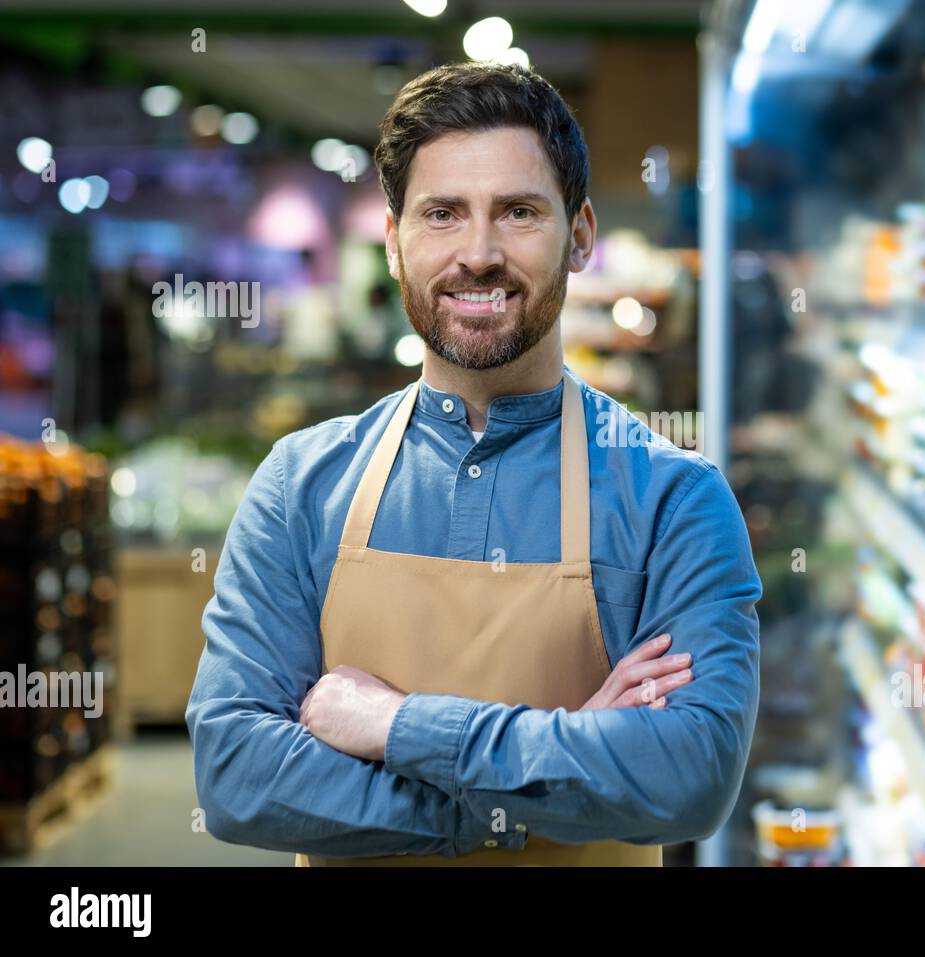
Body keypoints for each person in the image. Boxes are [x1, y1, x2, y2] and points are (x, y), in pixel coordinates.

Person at [186, 62, 762, 866]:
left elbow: (686, 778)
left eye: (519, 212)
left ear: (581, 236)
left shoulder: (674, 499)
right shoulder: (301, 486)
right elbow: (237, 776)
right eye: (442, 214)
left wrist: (392, 726)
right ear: (393, 243)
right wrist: (519, 799)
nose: (479, 253)